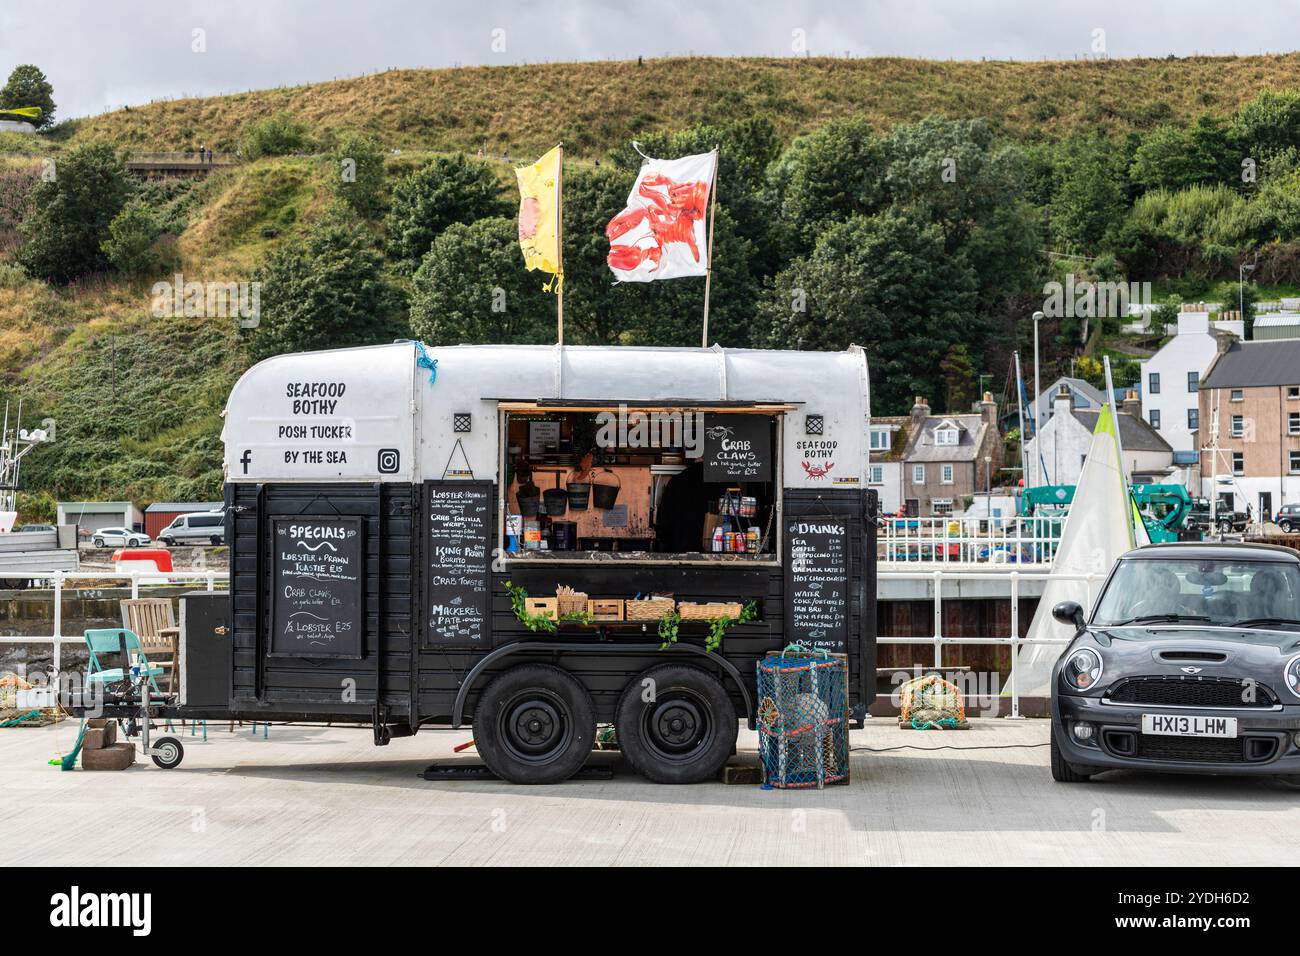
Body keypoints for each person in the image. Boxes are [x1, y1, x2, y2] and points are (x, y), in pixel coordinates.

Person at [654, 461, 710, 553]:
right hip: (714, 551)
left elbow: (664, 520)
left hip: (680, 547)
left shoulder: (677, 481)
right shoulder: (722, 482)